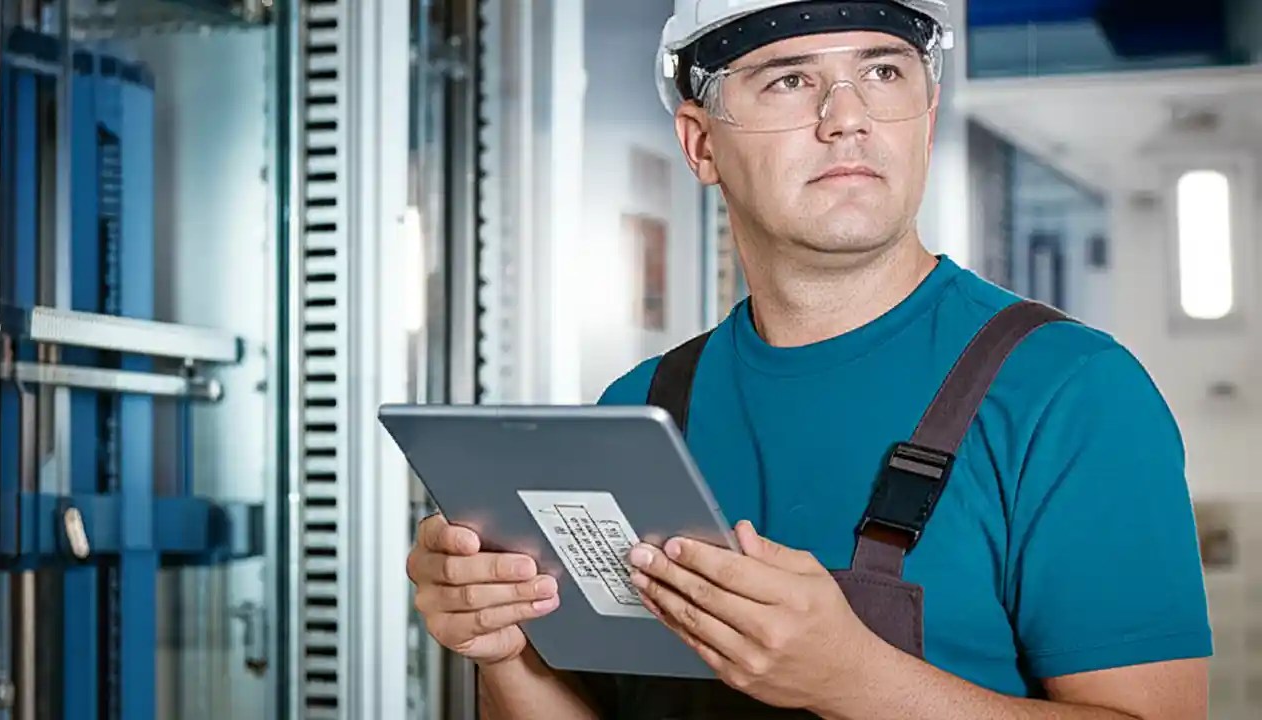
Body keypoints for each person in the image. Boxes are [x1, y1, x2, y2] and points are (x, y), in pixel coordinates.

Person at [405, 0, 1214, 718]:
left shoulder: (1071, 394)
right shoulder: (643, 407)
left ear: (925, 120)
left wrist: (852, 678)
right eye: (790, 79)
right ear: (701, 144)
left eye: (884, 71)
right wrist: (503, 646)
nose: (846, 117)